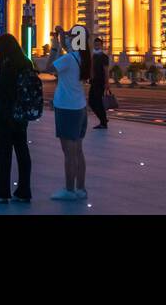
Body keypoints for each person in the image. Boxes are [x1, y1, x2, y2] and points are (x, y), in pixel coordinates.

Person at [0, 33, 33, 204]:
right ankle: (24, 191)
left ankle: (2, 192)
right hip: (21, 114)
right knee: (22, 151)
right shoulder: (26, 63)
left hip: (4, 114)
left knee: (4, 154)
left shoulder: (8, 64)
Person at [48, 25, 88, 201]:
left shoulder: (68, 59)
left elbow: (49, 67)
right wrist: (62, 35)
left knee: (69, 153)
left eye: (71, 36)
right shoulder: (84, 57)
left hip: (66, 107)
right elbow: (70, 49)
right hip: (80, 107)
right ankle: (80, 188)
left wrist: (55, 45)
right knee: (78, 151)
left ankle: (69, 189)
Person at [89, 36, 111, 130]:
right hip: (93, 82)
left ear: (101, 46)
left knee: (98, 102)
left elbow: (106, 71)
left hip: (100, 82)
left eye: (98, 45)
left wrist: (107, 83)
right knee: (91, 102)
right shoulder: (93, 56)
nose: (96, 46)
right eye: (95, 44)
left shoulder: (104, 57)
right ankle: (103, 119)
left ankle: (103, 122)